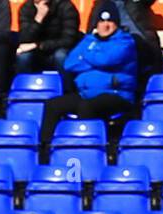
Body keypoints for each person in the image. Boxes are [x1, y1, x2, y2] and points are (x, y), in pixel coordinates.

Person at [39, 2, 137, 147]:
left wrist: (87, 56)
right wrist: (93, 53)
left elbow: (106, 60)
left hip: (117, 95)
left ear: (116, 23)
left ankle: (84, 147)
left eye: (110, 21)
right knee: (53, 104)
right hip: (87, 94)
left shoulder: (125, 42)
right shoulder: (89, 40)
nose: (105, 25)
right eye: (101, 21)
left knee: (87, 106)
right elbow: (70, 63)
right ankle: (44, 149)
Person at [15, 0, 81, 75]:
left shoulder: (66, 6)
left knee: (61, 56)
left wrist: (38, 45)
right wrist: (38, 18)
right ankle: (23, 86)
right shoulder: (26, 7)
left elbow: (68, 40)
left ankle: (66, 86)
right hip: (36, 52)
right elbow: (24, 39)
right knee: (23, 57)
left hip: (59, 48)